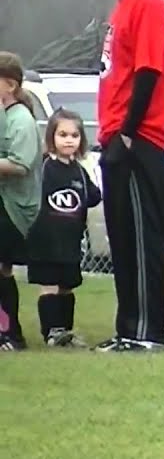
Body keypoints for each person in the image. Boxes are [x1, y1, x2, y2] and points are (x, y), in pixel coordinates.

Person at [79, 0, 164, 352]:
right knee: (121, 237)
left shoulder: (148, 4)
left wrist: (129, 133)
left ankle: (146, 331)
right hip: (114, 135)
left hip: (138, 137)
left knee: (141, 236)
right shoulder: (120, 9)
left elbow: (149, 72)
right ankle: (127, 327)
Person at [24, 109, 101, 348]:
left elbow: (93, 196)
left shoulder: (79, 170)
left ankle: (65, 330)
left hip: (70, 242)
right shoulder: (45, 168)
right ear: (51, 138)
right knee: (49, 284)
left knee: (67, 285)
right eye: (63, 134)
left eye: (74, 135)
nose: (69, 140)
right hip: (45, 241)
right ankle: (51, 331)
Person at [0, 53, 40, 351]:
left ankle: (11, 333)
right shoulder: (5, 117)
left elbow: (21, 164)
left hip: (14, 209)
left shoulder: (21, 120)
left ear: (10, 84)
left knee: (3, 268)